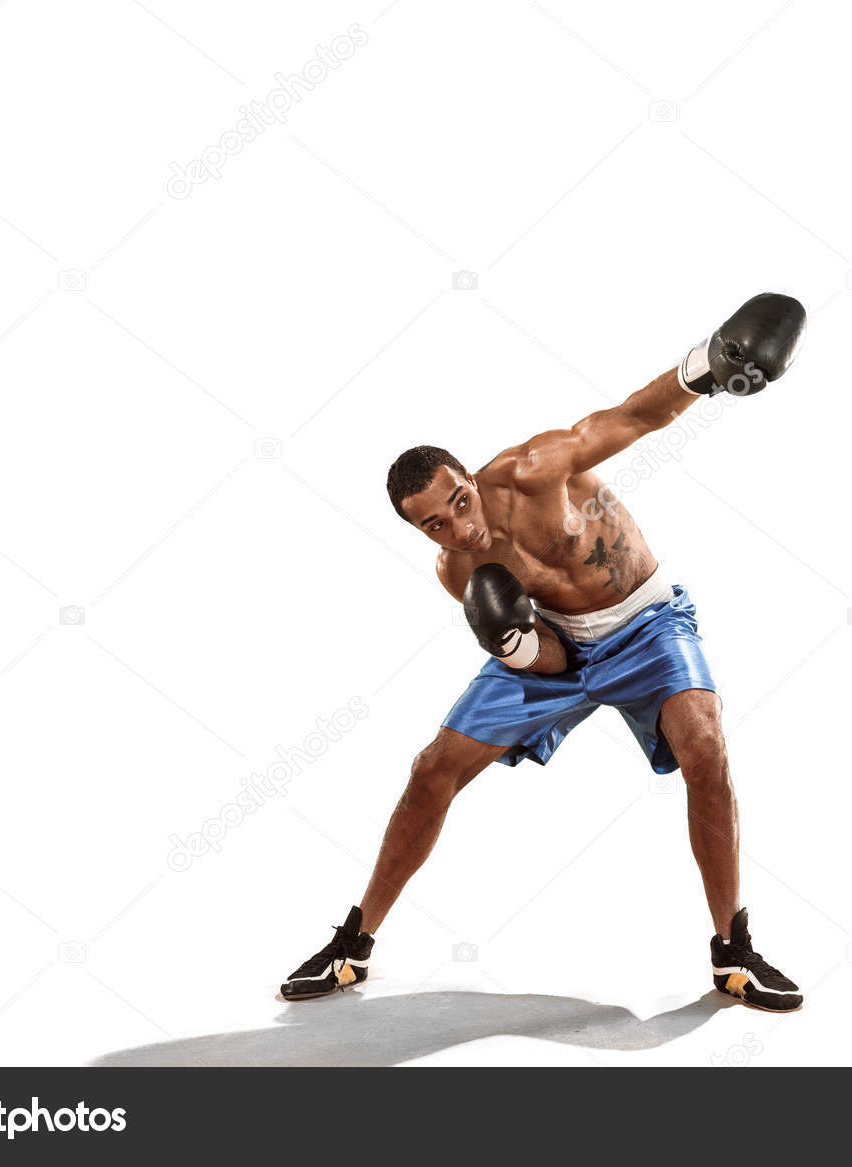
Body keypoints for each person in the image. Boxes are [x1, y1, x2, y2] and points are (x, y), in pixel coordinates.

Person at [282, 293, 807, 1012]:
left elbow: (631, 417)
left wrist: (705, 367)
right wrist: (526, 648)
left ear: (470, 477)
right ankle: (353, 944)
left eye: (458, 503)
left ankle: (733, 953)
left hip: (646, 625)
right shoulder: (457, 575)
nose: (457, 530)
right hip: (563, 642)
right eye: (434, 526)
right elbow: (560, 664)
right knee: (432, 769)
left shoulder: (536, 467)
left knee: (705, 750)